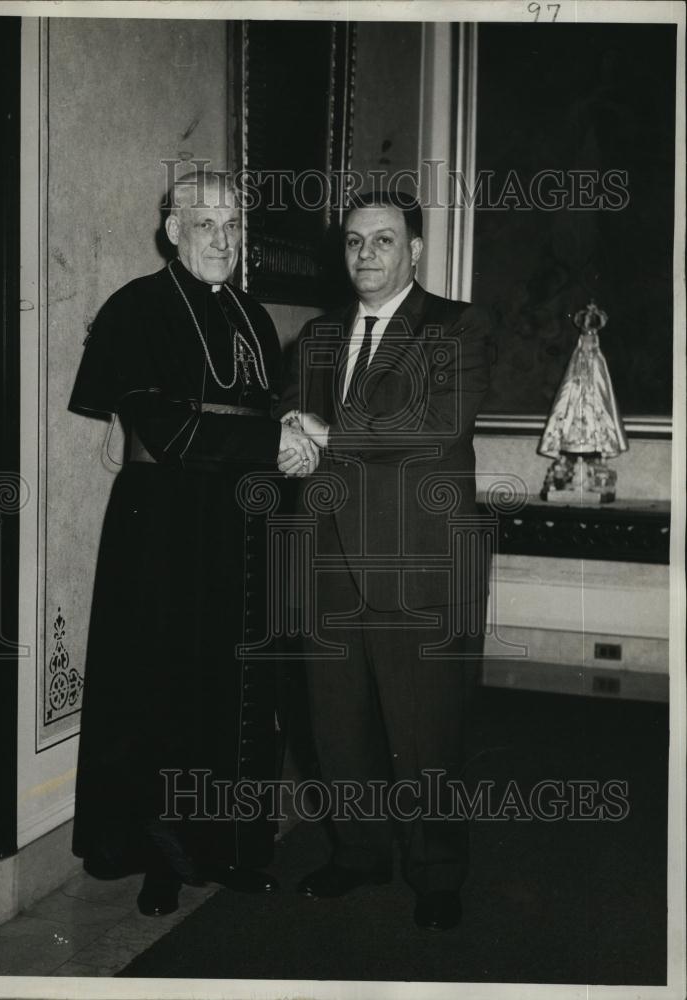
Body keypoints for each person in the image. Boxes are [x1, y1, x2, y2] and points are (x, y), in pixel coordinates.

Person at [68, 169, 317, 917]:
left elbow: (267, 415)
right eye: (203, 223)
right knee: (165, 689)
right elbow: (166, 429)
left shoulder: (252, 313)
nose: (220, 238)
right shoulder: (135, 309)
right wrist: (276, 437)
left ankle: (232, 848)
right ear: (171, 230)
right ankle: (162, 860)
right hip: (165, 528)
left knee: (236, 687)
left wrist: (297, 443)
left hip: (239, 525)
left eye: (232, 225)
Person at [278, 190, 491, 931]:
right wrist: (289, 436)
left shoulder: (455, 326)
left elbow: (436, 427)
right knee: (336, 727)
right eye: (352, 241)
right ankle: (357, 853)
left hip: (419, 561)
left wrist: (325, 435)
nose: (365, 255)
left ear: (415, 250)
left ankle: (436, 873)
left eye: (382, 240)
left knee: (426, 730)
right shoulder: (313, 338)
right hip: (325, 560)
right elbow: (290, 421)